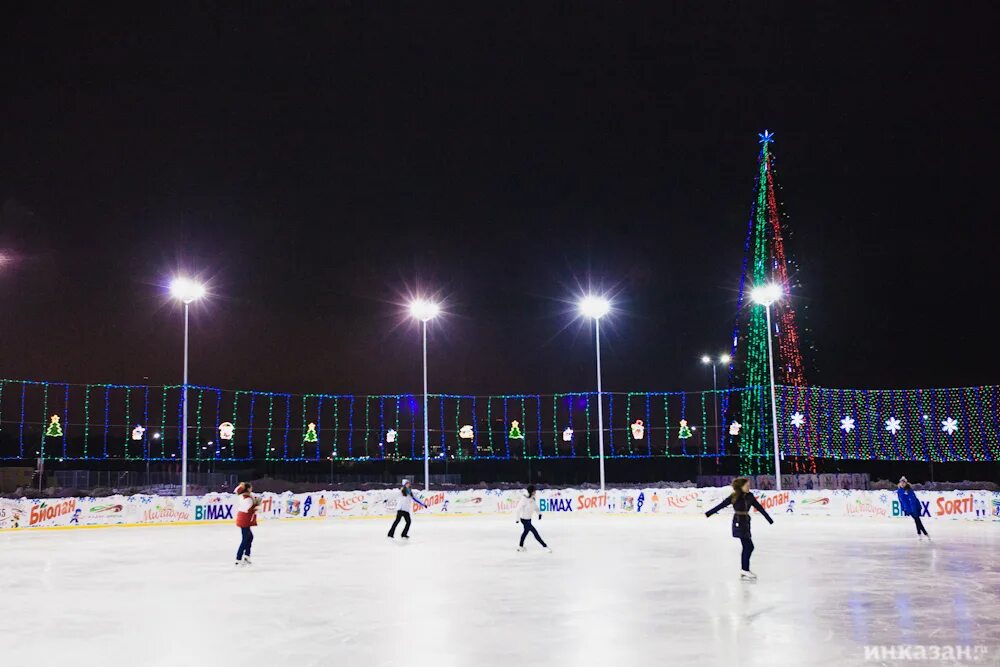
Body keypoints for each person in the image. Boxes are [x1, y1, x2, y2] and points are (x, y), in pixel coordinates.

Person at [705, 477, 774, 580]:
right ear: (741, 487)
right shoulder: (734, 496)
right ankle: (745, 570)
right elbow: (722, 505)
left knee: (747, 546)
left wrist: (769, 519)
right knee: (749, 546)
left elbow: (759, 507)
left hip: (746, 522)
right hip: (738, 522)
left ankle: (744, 570)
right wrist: (709, 513)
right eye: (747, 486)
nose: (749, 487)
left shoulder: (750, 496)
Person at [515, 485, 551, 552]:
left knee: (525, 532)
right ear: (531, 491)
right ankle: (545, 546)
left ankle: (520, 547)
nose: (535, 492)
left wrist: (539, 513)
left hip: (529, 519)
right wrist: (517, 519)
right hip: (524, 520)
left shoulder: (533, 498)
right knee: (535, 533)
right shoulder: (524, 499)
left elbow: (535, 507)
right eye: (534, 491)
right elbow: (518, 509)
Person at [234, 482, 259, 566]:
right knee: (245, 539)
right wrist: (256, 505)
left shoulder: (244, 496)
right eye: (251, 487)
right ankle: (238, 558)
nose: (252, 489)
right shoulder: (246, 497)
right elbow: (248, 509)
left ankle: (246, 556)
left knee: (249, 537)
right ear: (248, 489)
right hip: (244, 519)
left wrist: (255, 504)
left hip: (244, 518)